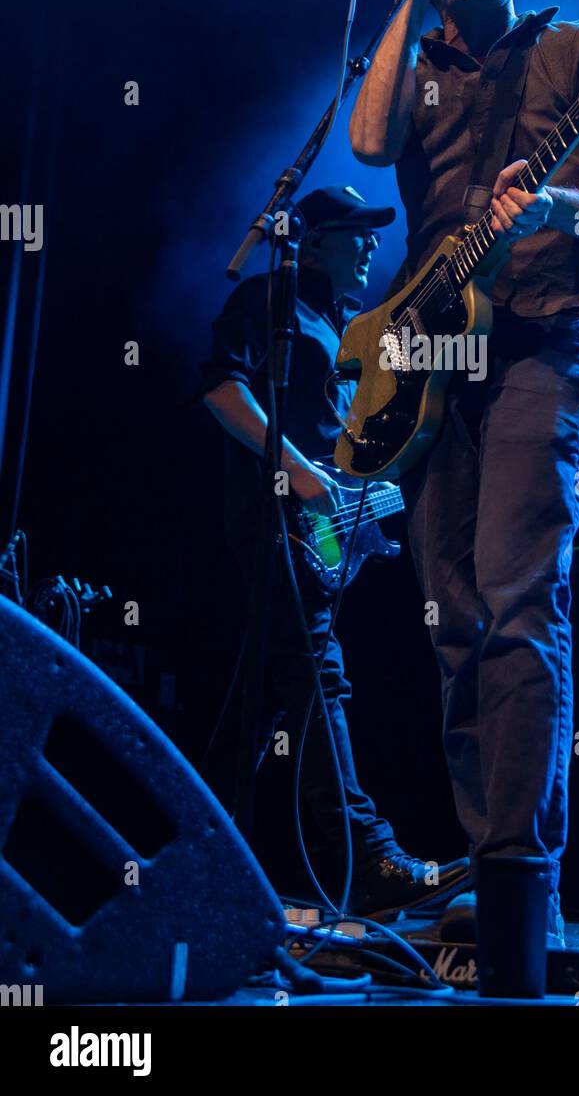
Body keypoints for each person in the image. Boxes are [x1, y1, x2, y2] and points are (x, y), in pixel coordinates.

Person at [349, 0, 579, 944]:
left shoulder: (578, 52)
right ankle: (494, 870)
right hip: (431, 362)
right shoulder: (418, 59)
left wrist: (553, 208)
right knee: (455, 621)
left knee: (521, 597)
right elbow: (371, 142)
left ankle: (522, 882)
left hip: (543, 337)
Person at [200, 184, 468, 917]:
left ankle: (186, 846)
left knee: (259, 704)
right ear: (312, 241)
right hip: (274, 524)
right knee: (320, 681)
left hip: (329, 533)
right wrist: (294, 468)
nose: (372, 244)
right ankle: (371, 857)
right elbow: (222, 391)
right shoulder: (269, 298)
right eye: (356, 231)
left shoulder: (352, 326)